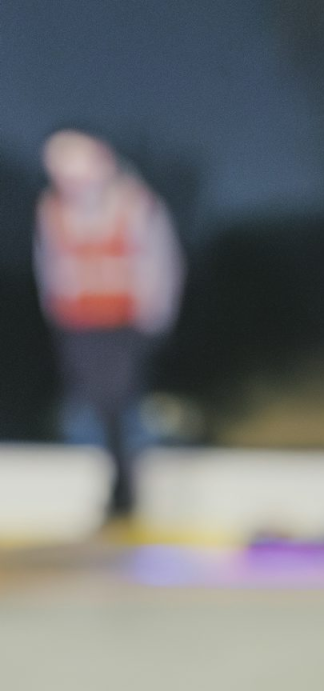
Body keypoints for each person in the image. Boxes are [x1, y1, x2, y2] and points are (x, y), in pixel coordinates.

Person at [35, 131, 184, 522]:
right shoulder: (53, 207)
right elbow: (49, 265)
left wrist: (155, 315)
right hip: (79, 323)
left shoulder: (134, 203)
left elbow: (159, 260)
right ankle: (110, 487)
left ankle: (128, 492)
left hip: (125, 322)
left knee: (122, 403)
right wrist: (56, 312)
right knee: (92, 406)